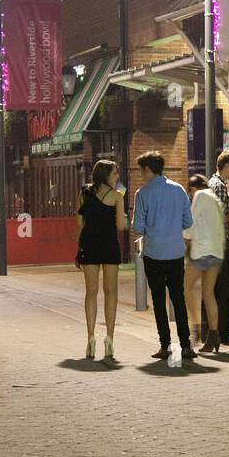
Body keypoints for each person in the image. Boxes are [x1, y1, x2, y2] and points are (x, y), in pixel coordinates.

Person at [132, 150, 196, 359]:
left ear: (148, 169)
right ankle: (186, 345)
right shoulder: (179, 190)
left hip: (154, 254)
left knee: (159, 300)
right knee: (179, 299)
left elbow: (138, 227)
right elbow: (188, 222)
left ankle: (165, 345)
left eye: (142, 171)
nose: (142, 176)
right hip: (176, 252)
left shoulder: (142, 194)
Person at [73, 159, 127, 359]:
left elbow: (79, 225)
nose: (117, 177)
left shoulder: (84, 194)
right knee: (111, 292)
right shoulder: (117, 197)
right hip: (110, 246)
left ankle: (90, 338)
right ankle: (109, 339)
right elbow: (121, 226)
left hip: (89, 246)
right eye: (115, 173)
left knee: (91, 293)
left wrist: (78, 249)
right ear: (106, 175)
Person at [184, 174, 225, 353]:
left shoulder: (200, 196)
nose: (191, 196)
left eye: (190, 193)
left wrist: (185, 237)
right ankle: (213, 336)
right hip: (216, 251)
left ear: (194, 189)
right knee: (208, 294)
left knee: (185, 287)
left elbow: (191, 221)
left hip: (201, 250)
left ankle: (195, 326)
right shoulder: (215, 198)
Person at [208, 150, 229, 346]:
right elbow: (224, 214)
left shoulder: (211, 184)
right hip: (222, 242)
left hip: (214, 243)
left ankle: (217, 330)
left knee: (218, 289)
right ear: (227, 166)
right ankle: (224, 332)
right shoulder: (219, 186)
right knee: (227, 290)